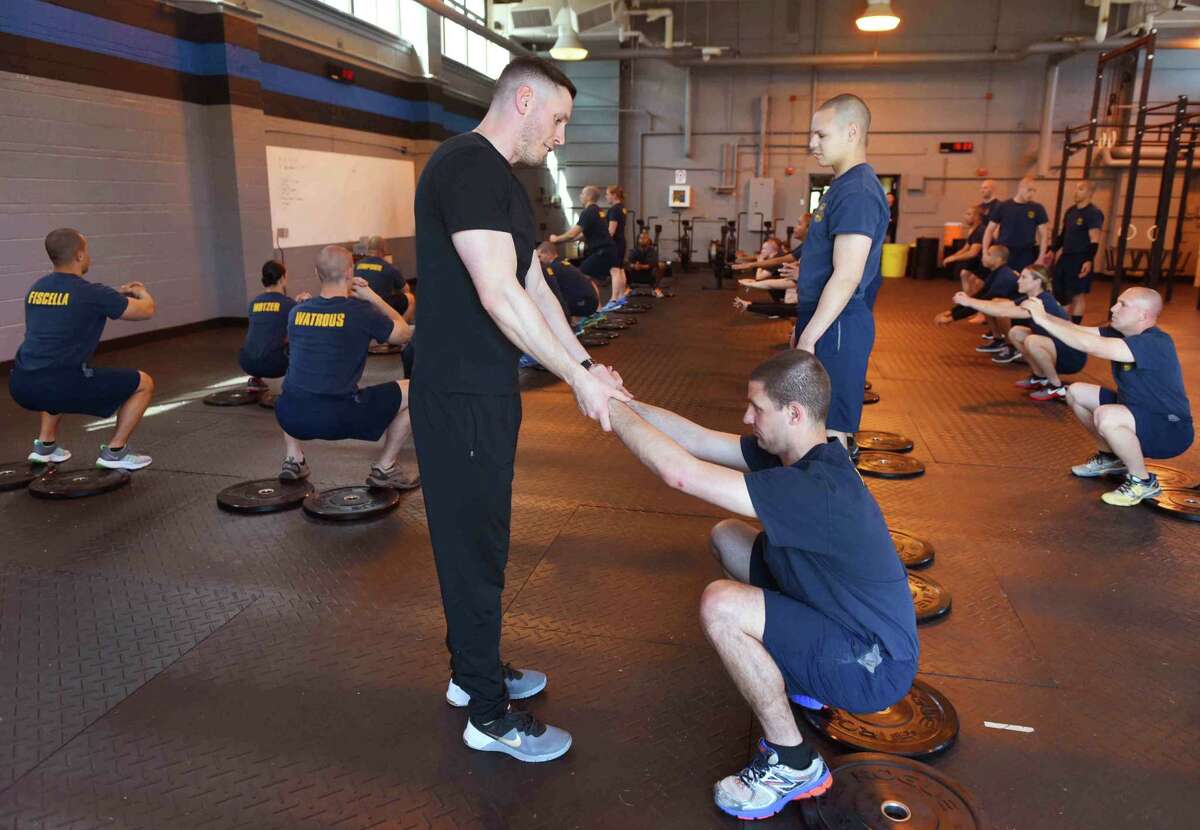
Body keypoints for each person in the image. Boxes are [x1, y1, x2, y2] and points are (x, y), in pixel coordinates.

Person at [411, 56, 630, 764]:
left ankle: (471, 670)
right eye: (560, 119)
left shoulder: (502, 180)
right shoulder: (466, 166)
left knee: (485, 539)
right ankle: (486, 712)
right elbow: (497, 294)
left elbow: (535, 287)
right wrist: (574, 377)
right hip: (460, 396)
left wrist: (588, 368)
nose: (562, 136)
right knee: (475, 546)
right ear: (525, 100)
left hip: (485, 392)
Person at [605, 350, 918, 820]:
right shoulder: (794, 452)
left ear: (793, 413)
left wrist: (602, 410)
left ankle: (792, 762)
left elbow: (681, 473)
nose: (746, 417)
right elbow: (696, 439)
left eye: (757, 408)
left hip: (872, 665)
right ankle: (806, 672)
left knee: (721, 605)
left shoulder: (818, 487)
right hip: (842, 617)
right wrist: (620, 400)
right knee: (727, 537)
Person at [1023, 286, 1193, 506]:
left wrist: (1042, 321)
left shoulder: (1155, 343)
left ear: (1142, 315)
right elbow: (1077, 331)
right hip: (1136, 411)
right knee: (1075, 392)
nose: (1113, 308)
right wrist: (1044, 316)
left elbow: (1090, 345)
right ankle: (1110, 457)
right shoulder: (1122, 332)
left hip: (1169, 430)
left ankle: (1142, 481)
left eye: (1123, 304)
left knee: (1107, 415)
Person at [9, 228, 156, 470]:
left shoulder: (37, 289)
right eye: (86, 252)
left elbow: (73, 302)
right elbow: (146, 310)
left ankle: (45, 446)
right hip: (61, 386)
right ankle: (116, 452)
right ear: (78, 256)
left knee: (50, 370)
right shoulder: (92, 293)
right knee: (144, 383)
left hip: (21, 384)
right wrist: (141, 292)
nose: (89, 257)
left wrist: (110, 297)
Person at [273, 245, 419, 490]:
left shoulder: (296, 312)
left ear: (316, 273)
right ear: (351, 271)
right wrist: (372, 296)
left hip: (290, 416)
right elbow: (404, 334)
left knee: (297, 377)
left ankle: (293, 459)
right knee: (418, 389)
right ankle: (385, 468)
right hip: (337, 417)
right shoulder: (360, 312)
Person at [793, 94, 891, 454]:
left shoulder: (858, 192)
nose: (811, 144)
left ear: (852, 132)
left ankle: (837, 506)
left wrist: (809, 338)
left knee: (830, 436)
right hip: (827, 321)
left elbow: (848, 275)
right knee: (814, 430)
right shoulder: (842, 187)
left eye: (821, 135)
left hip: (838, 326)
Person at [951, 265, 1088, 396]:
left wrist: (969, 302)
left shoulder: (1042, 302)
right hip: (1056, 346)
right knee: (1016, 332)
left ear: (1037, 281)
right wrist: (968, 303)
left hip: (1072, 356)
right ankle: (1039, 377)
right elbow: (1002, 305)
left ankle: (1056, 387)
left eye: (1023, 277)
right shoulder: (1034, 297)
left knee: (1032, 340)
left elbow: (1002, 311)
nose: (1018, 280)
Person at [239, 260, 311, 404]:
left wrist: (295, 305)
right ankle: (297, 383)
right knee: (303, 342)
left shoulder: (254, 303)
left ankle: (255, 380)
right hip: (275, 366)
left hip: (247, 362)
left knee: (262, 337)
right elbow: (300, 327)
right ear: (282, 278)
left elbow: (272, 317)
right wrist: (305, 305)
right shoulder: (289, 304)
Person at [549, 185, 627, 308]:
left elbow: (572, 233)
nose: (580, 196)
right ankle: (613, 301)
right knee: (614, 271)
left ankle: (599, 307)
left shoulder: (588, 212)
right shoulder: (598, 210)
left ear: (588, 196)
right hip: (608, 250)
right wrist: (570, 239)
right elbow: (581, 234)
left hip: (602, 251)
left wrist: (556, 239)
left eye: (582, 194)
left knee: (582, 275)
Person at [933, 245, 1020, 350]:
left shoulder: (1004, 276)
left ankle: (1011, 346)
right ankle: (998, 340)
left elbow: (979, 302)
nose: (983, 256)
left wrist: (952, 318)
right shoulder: (996, 273)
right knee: (986, 304)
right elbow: (979, 297)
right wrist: (951, 312)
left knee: (995, 305)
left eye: (988, 254)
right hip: (1011, 312)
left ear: (998, 259)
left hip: (1020, 317)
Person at [1051, 181, 1104, 322]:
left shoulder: (1094, 213)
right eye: (1076, 189)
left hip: (1080, 258)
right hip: (1066, 257)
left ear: (1089, 193)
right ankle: (1062, 324)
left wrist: (1088, 260)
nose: (1076, 192)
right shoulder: (1071, 211)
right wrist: (1053, 250)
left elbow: (1094, 239)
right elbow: (1064, 234)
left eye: (1081, 189)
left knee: (1077, 294)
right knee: (1060, 292)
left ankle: (1075, 327)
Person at [982, 176, 1049, 273]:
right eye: (1029, 190)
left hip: (1025, 253)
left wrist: (1041, 257)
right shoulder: (1003, 206)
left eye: (1034, 191)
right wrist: (985, 251)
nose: (1031, 194)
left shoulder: (1037, 208)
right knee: (1002, 282)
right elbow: (989, 230)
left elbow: (1044, 236)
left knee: (1023, 283)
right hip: (1004, 252)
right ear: (1020, 188)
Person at [355, 236, 415, 324]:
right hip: (381, 307)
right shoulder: (389, 267)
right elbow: (406, 289)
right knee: (411, 298)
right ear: (383, 250)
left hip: (360, 306)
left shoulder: (357, 265)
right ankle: (402, 326)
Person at [536, 242, 600, 320]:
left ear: (548, 254)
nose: (539, 260)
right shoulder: (565, 264)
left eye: (539, 256)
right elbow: (590, 282)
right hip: (591, 302)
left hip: (583, 305)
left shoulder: (552, 268)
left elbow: (554, 292)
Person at [941, 205, 986, 293]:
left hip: (985, 262)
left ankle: (973, 301)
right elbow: (965, 248)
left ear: (977, 217)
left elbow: (973, 253)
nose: (965, 217)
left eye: (969, 214)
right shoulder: (973, 230)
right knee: (964, 273)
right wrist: (951, 257)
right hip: (978, 260)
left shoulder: (981, 230)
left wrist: (953, 258)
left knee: (974, 281)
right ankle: (968, 300)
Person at [626, 230, 667, 298]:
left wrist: (640, 266)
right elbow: (629, 263)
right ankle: (630, 288)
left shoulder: (652, 251)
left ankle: (655, 288)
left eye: (645, 238)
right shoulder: (633, 251)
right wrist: (634, 266)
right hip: (635, 275)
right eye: (641, 238)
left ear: (649, 240)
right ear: (638, 240)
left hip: (649, 275)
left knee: (661, 265)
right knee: (622, 267)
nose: (643, 239)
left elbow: (651, 264)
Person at [606, 184, 630, 292]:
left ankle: (614, 299)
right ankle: (621, 297)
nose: (606, 197)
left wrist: (602, 242)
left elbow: (611, 231)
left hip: (614, 244)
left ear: (614, 195)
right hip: (621, 242)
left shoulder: (614, 210)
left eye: (607, 194)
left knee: (614, 271)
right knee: (620, 270)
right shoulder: (622, 208)